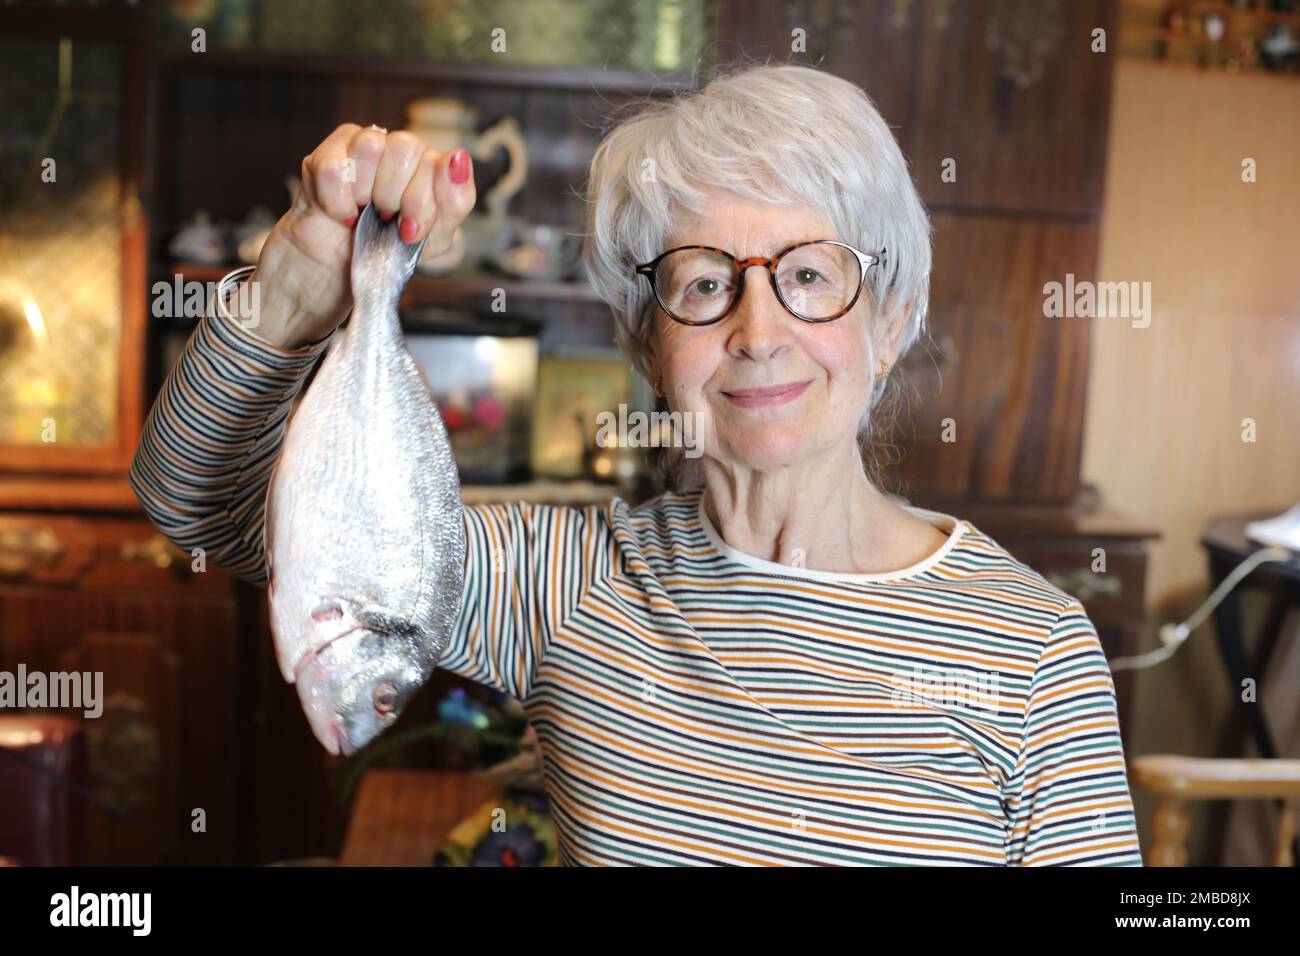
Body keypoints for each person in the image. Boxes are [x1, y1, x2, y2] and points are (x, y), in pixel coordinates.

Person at [131, 63, 1142, 866]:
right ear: (648, 342)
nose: (759, 330)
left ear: (892, 318)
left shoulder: (1032, 649)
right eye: (703, 282)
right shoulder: (571, 583)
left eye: (806, 275)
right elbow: (198, 501)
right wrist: (305, 271)